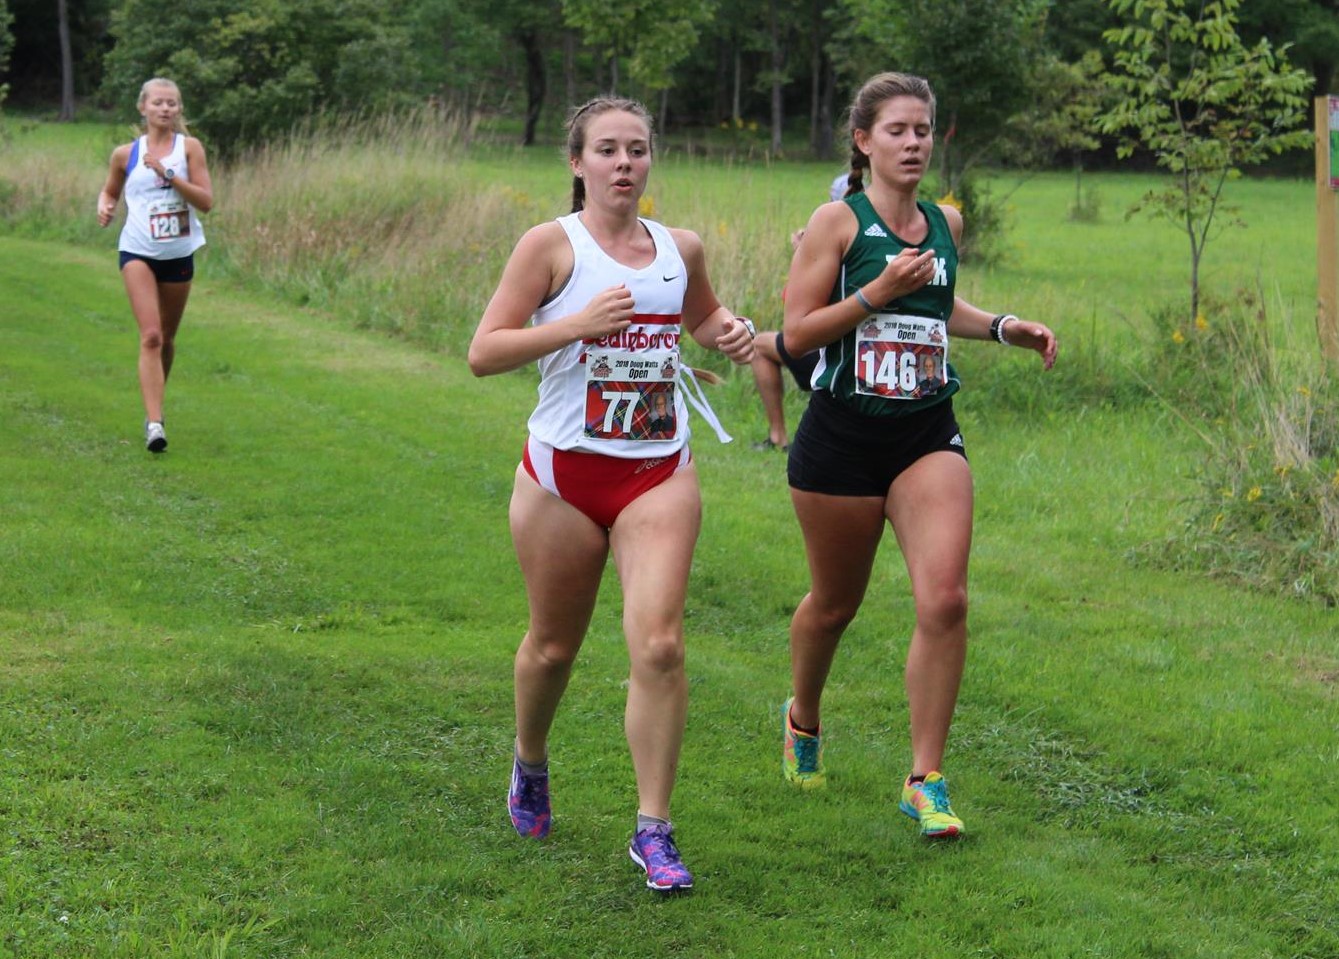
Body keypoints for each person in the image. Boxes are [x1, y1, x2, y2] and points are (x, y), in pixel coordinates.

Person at [467, 96, 755, 892]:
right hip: (562, 475)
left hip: (656, 469)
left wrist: (729, 332)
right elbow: (484, 352)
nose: (624, 163)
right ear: (577, 163)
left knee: (659, 644)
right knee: (553, 647)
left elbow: (700, 317)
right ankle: (529, 761)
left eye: (637, 149)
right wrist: (574, 325)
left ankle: (653, 829)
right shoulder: (547, 247)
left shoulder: (679, 247)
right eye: (607, 150)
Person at [778, 72, 1057, 838]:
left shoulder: (946, 223)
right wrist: (874, 294)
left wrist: (1003, 326)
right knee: (834, 604)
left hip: (924, 431)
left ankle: (923, 778)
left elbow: (938, 306)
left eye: (923, 129)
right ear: (863, 140)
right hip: (840, 437)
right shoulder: (837, 222)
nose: (913, 143)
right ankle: (803, 717)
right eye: (897, 130)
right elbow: (796, 333)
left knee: (945, 598)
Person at [96, 77, 213, 453]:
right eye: (159, 103)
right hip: (137, 251)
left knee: (167, 338)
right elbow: (111, 189)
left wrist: (168, 174)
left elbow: (206, 201)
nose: (165, 109)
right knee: (150, 336)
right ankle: (155, 423)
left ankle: (155, 405)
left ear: (179, 110)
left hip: (178, 253)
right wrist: (105, 204)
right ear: (142, 107)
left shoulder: (189, 148)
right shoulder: (124, 154)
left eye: (172, 104)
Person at [750, 229, 820, 451]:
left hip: (824, 352)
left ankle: (778, 436)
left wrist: (803, 255)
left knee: (758, 346)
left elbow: (794, 299)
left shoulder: (834, 243)